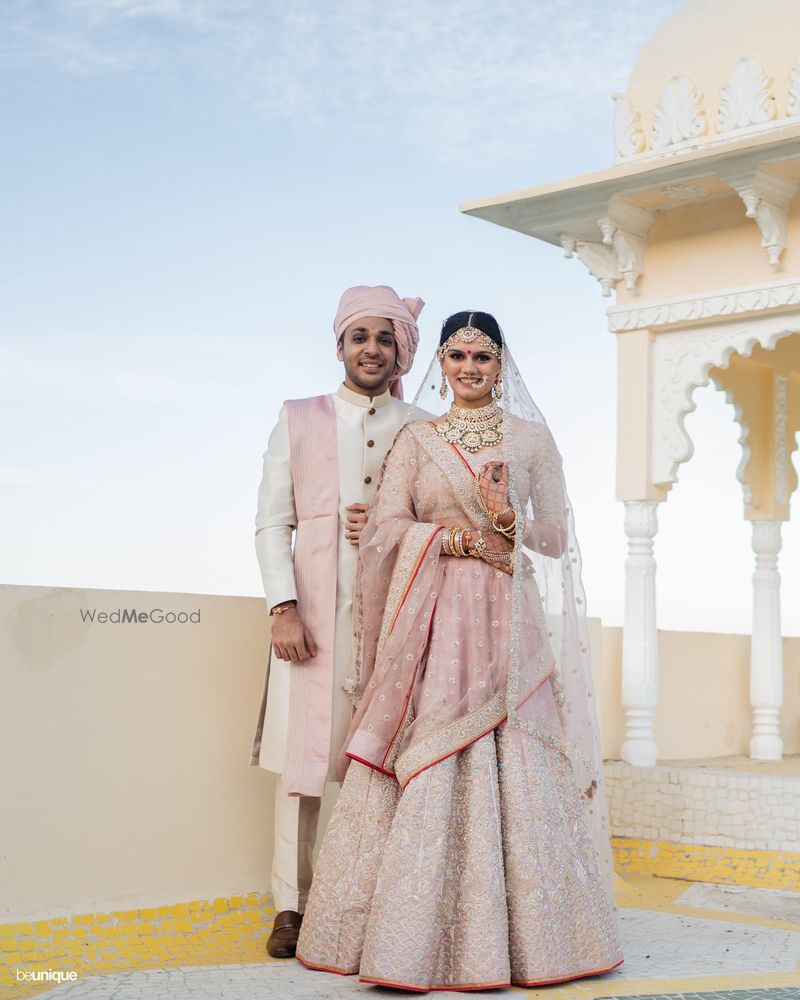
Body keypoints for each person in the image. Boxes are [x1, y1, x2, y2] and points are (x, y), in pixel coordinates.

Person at [295, 311, 624, 991]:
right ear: (440, 364)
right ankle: (413, 940)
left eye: (482, 356)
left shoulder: (531, 439)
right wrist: (454, 540)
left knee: (519, 752)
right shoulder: (418, 441)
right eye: (456, 355)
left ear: (502, 365)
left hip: (510, 619)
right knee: (433, 747)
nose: (469, 368)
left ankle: (532, 942)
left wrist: (508, 517)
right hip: (437, 621)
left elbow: (559, 539)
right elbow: (386, 528)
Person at [250, 285, 424, 959]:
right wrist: (282, 606)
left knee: (376, 766)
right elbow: (272, 520)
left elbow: (440, 516)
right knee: (301, 766)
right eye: (360, 337)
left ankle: (355, 902)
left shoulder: (421, 424)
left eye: (385, 338)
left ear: (398, 350)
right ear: (340, 346)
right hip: (312, 624)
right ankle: (290, 907)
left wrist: (395, 526)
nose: (372, 349)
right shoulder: (297, 419)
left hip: (394, 627)